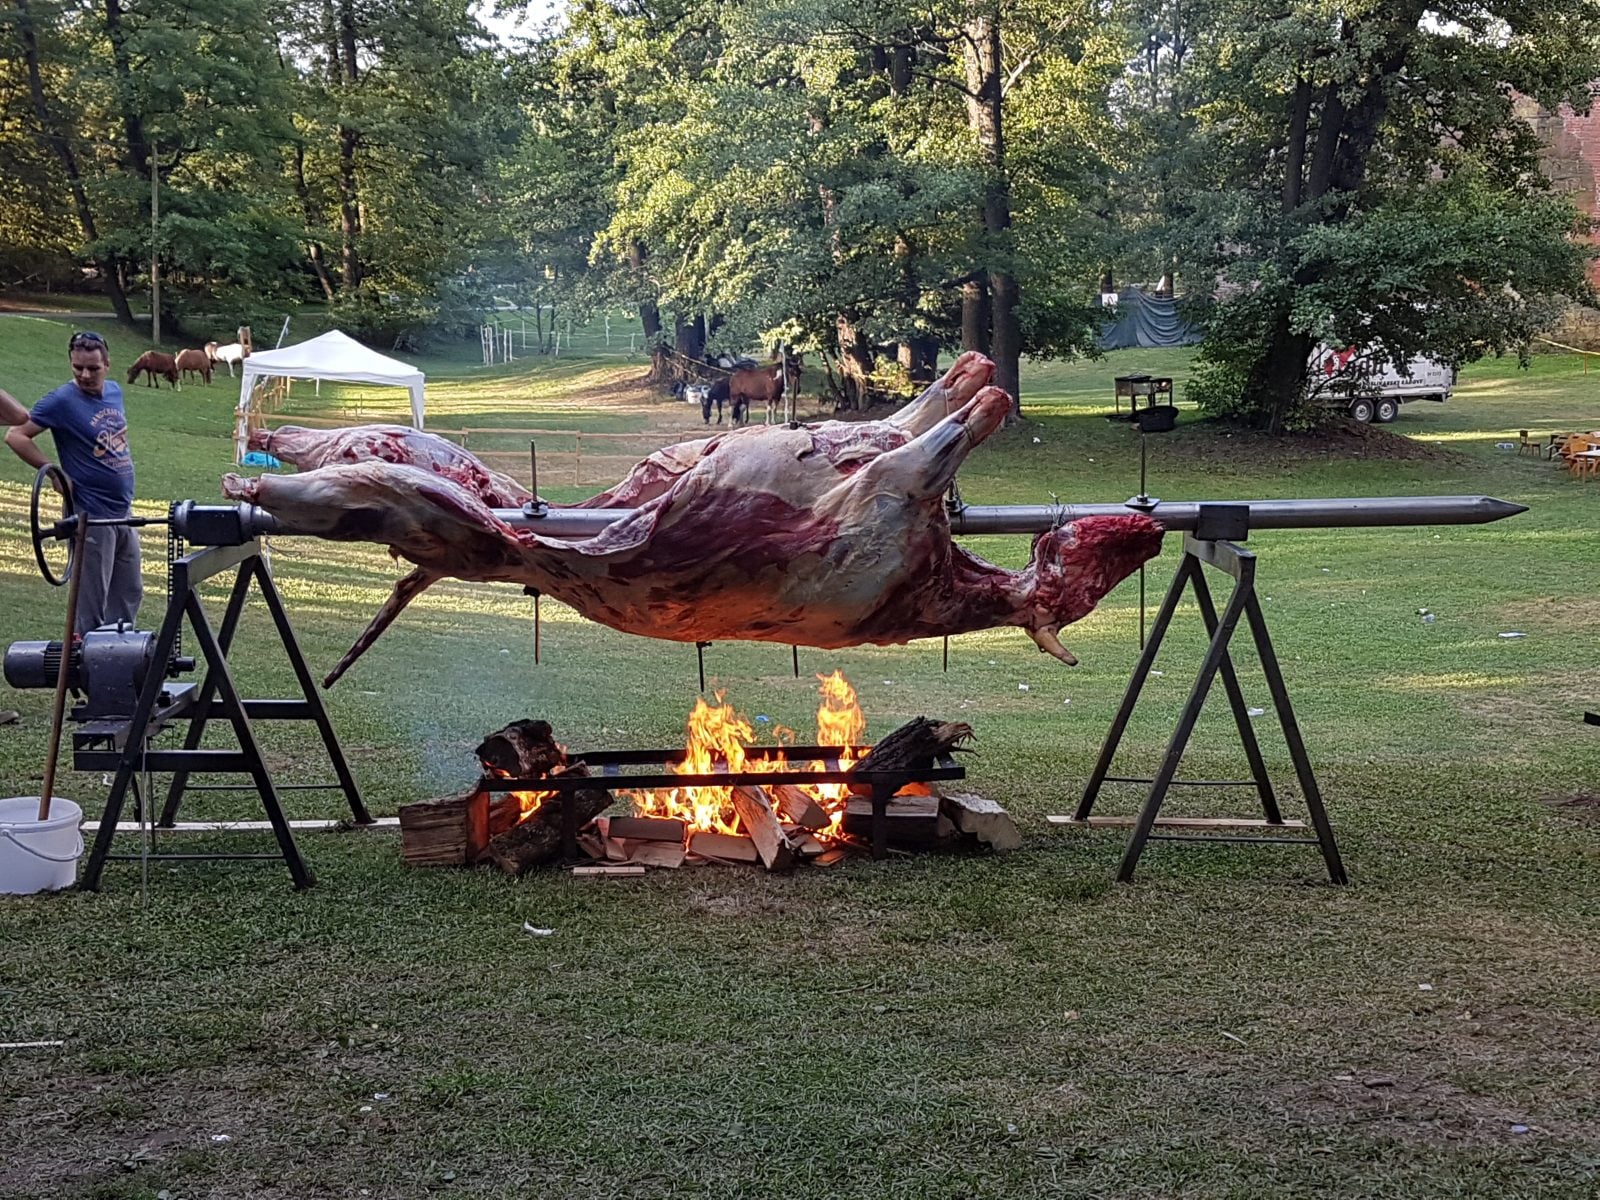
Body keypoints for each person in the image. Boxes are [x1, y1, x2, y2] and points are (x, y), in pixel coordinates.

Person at [1, 330, 142, 635]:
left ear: (107, 365)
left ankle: (121, 661)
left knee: (129, 591)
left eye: (93, 368)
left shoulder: (115, 391)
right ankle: (89, 666)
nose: (85, 375)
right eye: (78, 367)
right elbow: (15, 435)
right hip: (90, 515)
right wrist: (53, 471)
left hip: (123, 511)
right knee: (92, 600)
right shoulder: (62, 400)